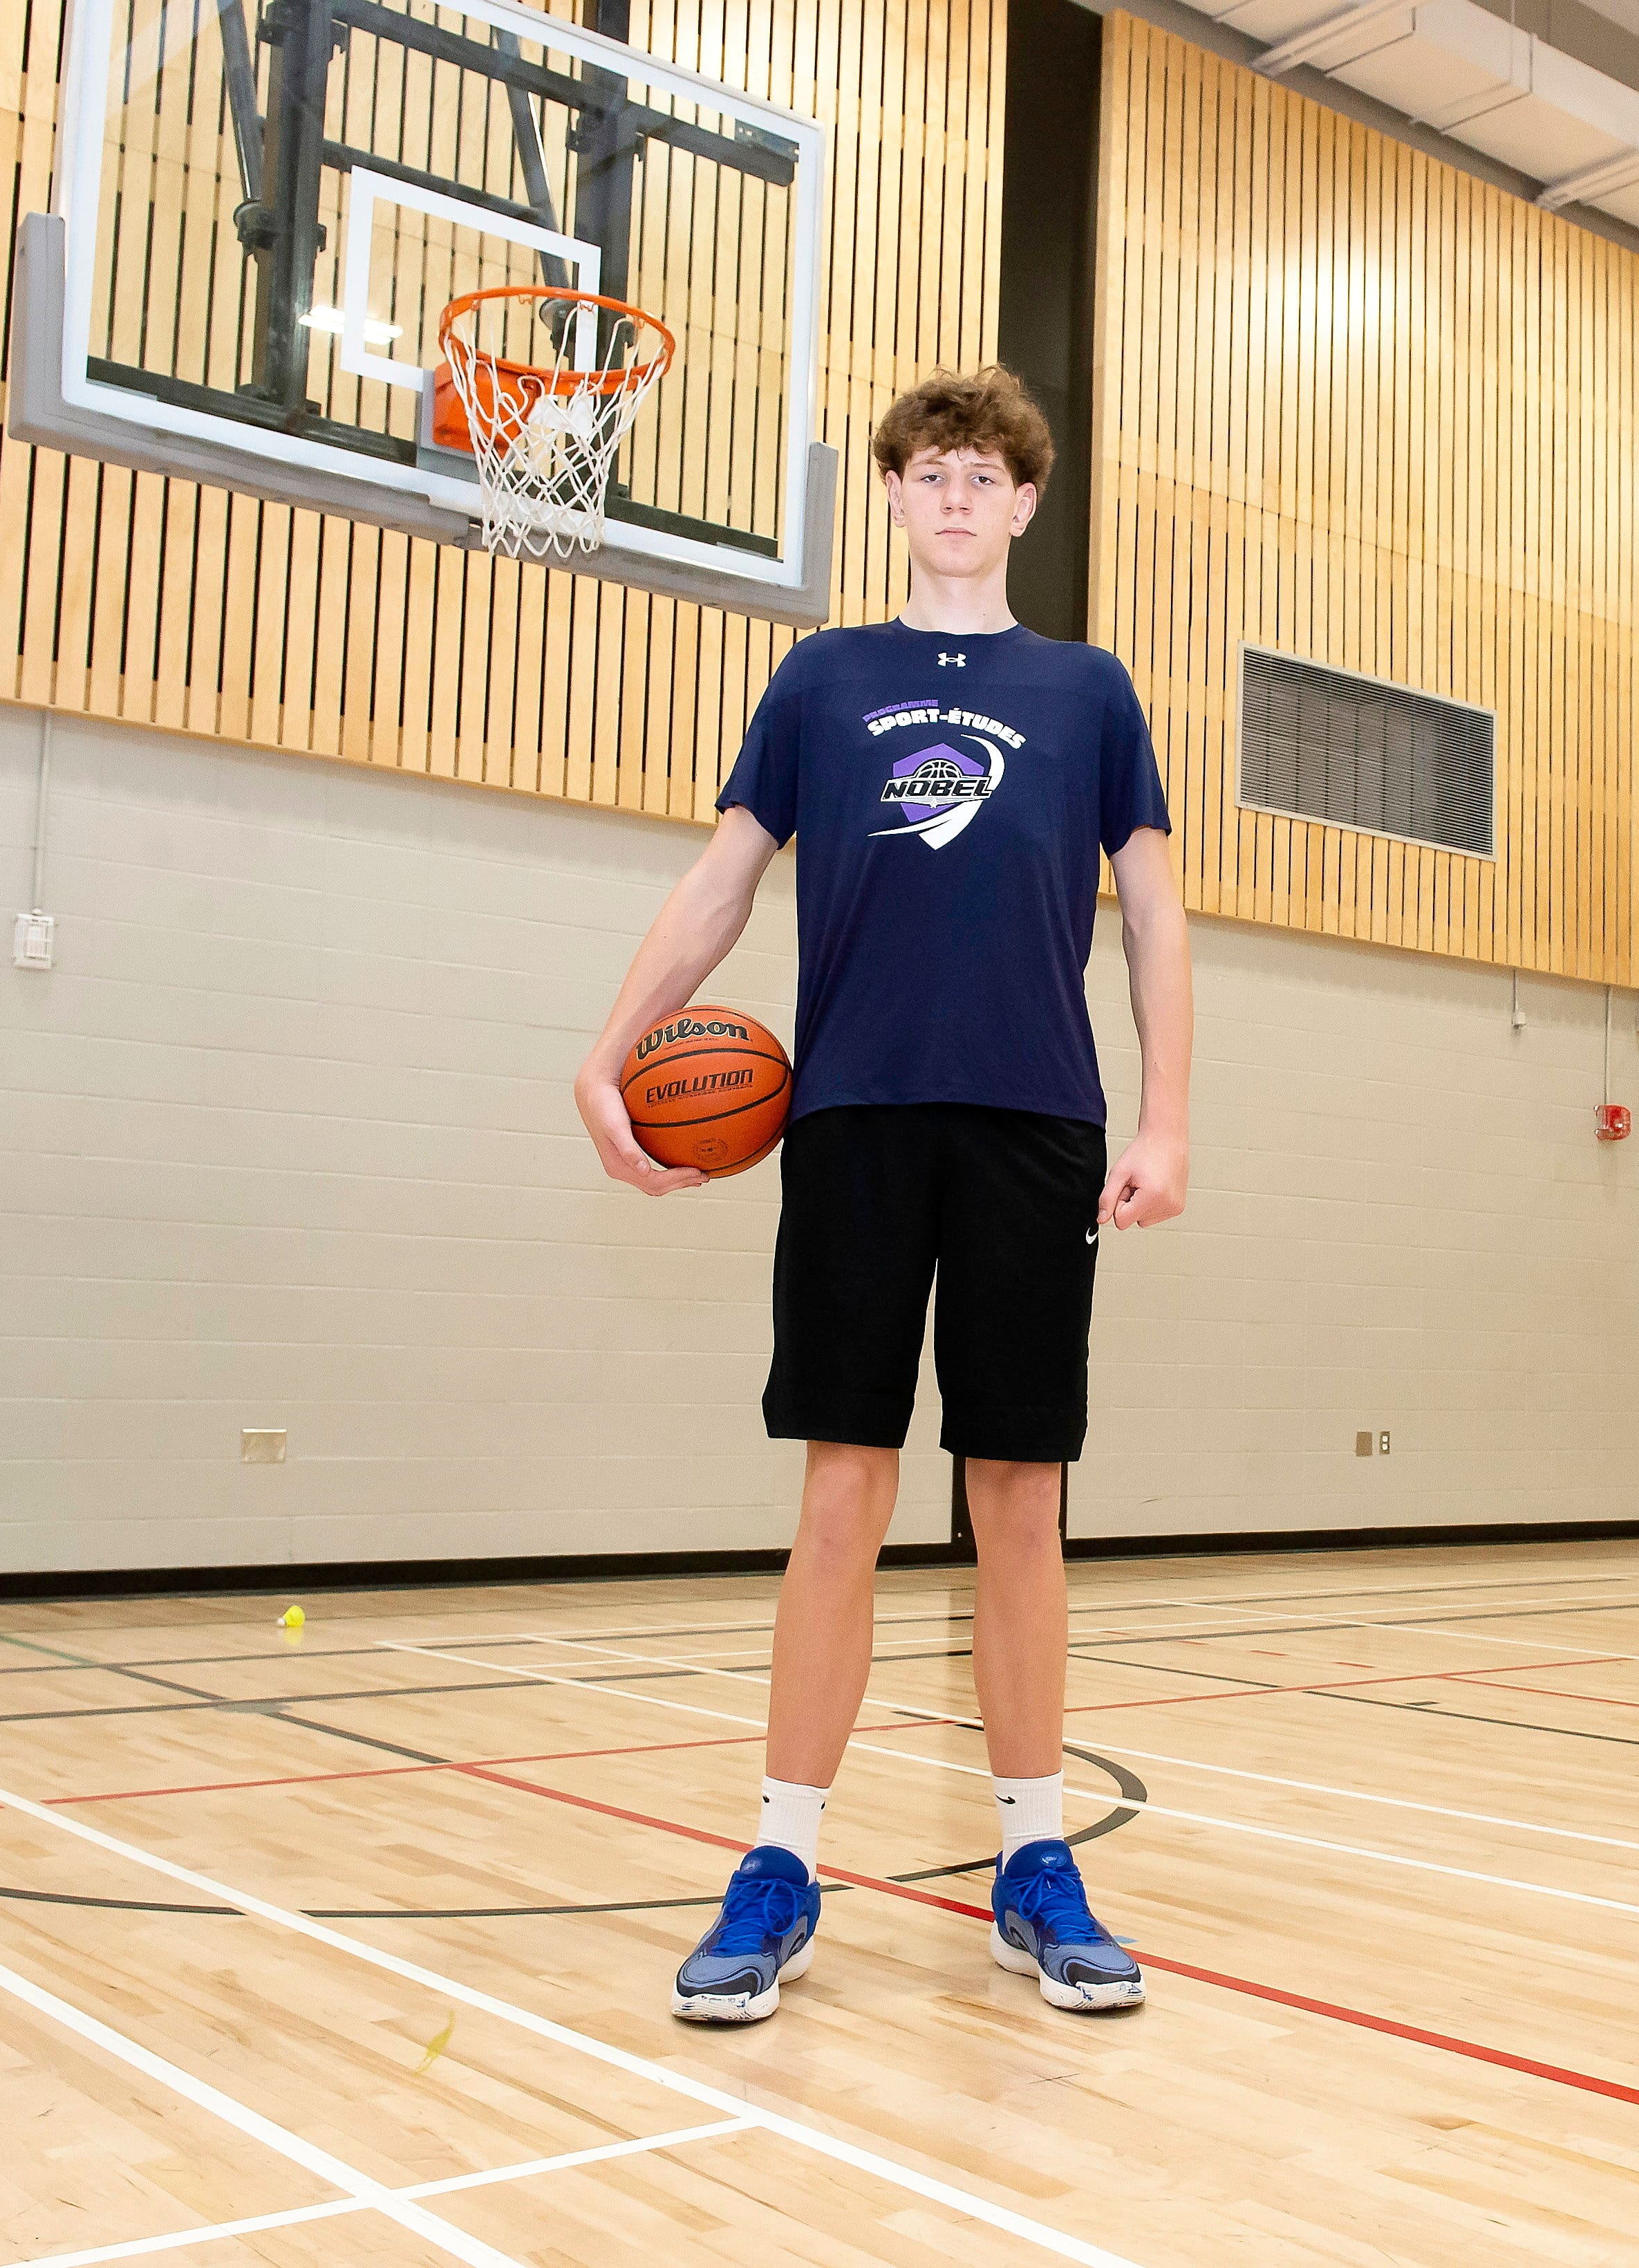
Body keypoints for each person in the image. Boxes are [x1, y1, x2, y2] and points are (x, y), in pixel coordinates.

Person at [572, 366, 1192, 2022]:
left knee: (1017, 1497)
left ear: (1027, 503)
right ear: (897, 496)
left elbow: (1152, 914)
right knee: (840, 1487)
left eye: (986, 473)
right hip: (845, 1119)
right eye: (929, 471)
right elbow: (722, 879)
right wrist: (609, 1048)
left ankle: (1035, 1856)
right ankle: (778, 1859)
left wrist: (1169, 1114)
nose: (958, 496)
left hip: (1036, 1125)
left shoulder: (1088, 691)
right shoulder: (821, 675)